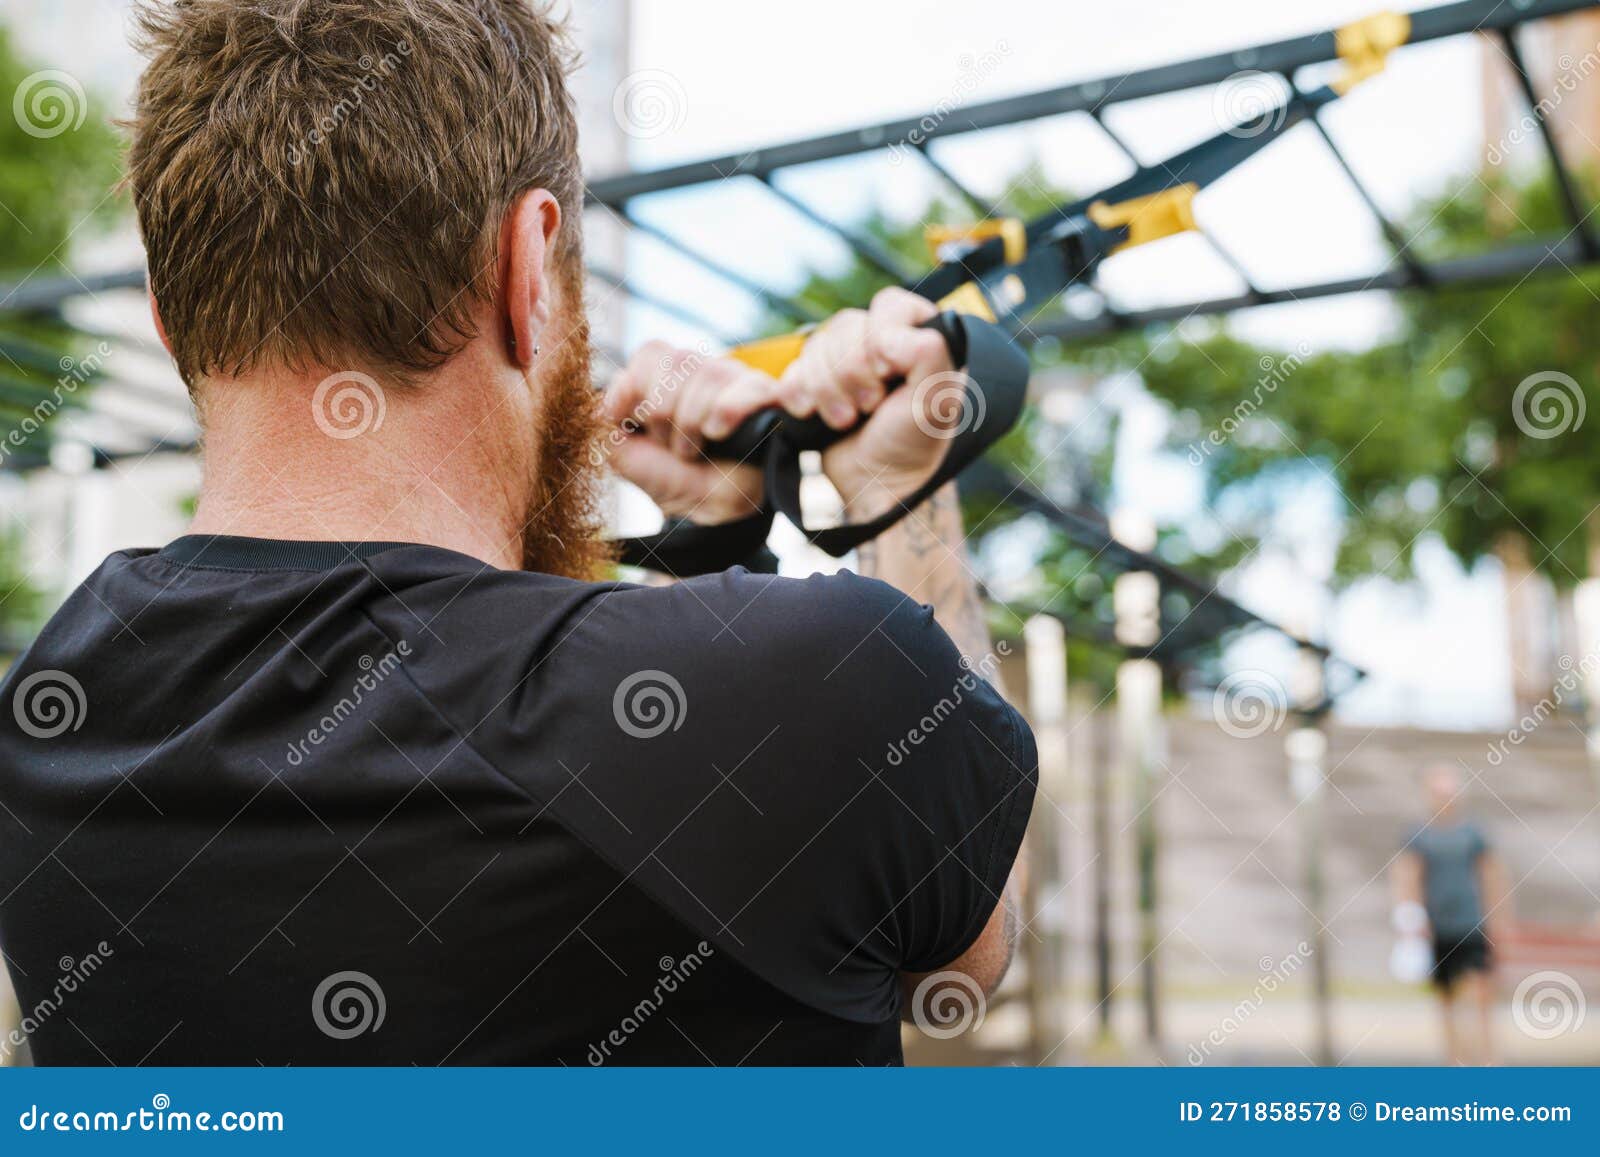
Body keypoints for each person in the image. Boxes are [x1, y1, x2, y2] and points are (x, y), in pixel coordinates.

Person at [0, 0, 1035, 1065]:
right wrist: (895, 493)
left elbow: (516, 698)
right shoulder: (836, 683)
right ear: (528, 266)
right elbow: (966, 955)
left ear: (169, 316)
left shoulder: (45, 726)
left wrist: (710, 542)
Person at [1390, 763, 1509, 1065]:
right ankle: (1455, 1058)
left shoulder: (1473, 832)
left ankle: (1487, 1057)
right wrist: (1412, 917)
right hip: (1437, 925)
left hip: (1471, 921)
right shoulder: (1419, 834)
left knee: (1481, 990)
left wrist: (1498, 916)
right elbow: (1408, 876)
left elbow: (1491, 873)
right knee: (1446, 996)